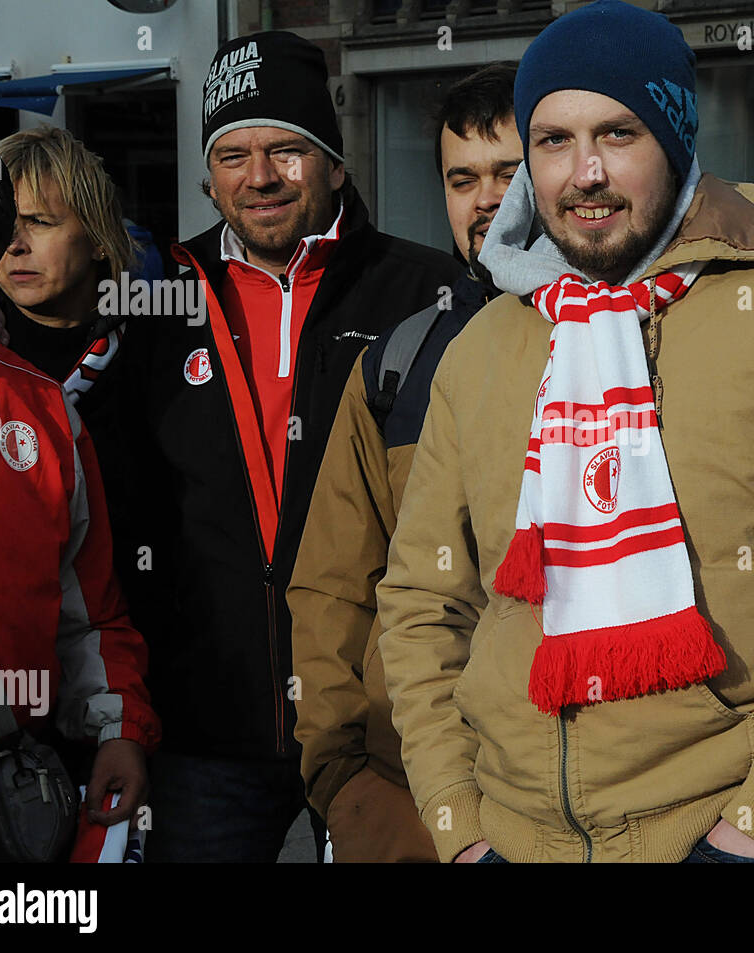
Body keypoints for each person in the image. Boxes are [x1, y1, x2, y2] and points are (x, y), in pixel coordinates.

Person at [373, 0, 754, 864]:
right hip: (508, 840)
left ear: (676, 139)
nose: (584, 173)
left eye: (618, 134)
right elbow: (420, 602)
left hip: (716, 834)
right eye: (553, 141)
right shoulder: (482, 348)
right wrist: (456, 817)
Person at [113, 31, 461, 862]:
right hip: (207, 734)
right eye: (232, 154)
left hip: (384, 730)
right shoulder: (153, 300)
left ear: (336, 164)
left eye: (285, 149)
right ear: (207, 177)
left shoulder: (429, 292)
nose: (259, 176)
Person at [288, 63, 520, 862]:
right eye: (463, 179)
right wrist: (340, 778)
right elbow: (330, 586)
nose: (485, 198)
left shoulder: (632, 348)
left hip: (588, 800)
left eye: (508, 172)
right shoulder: (398, 365)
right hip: (407, 798)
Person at [0, 111, 159, 861]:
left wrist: (120, 726)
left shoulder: (49, 403)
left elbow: (88, 608)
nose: (21, 246)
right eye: (16, 225)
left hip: (4, 806)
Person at [0, 127, 141, 594]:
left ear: (98, 238)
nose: (14, 244)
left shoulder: (164, 354)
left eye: (38, 221)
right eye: (0, 223)